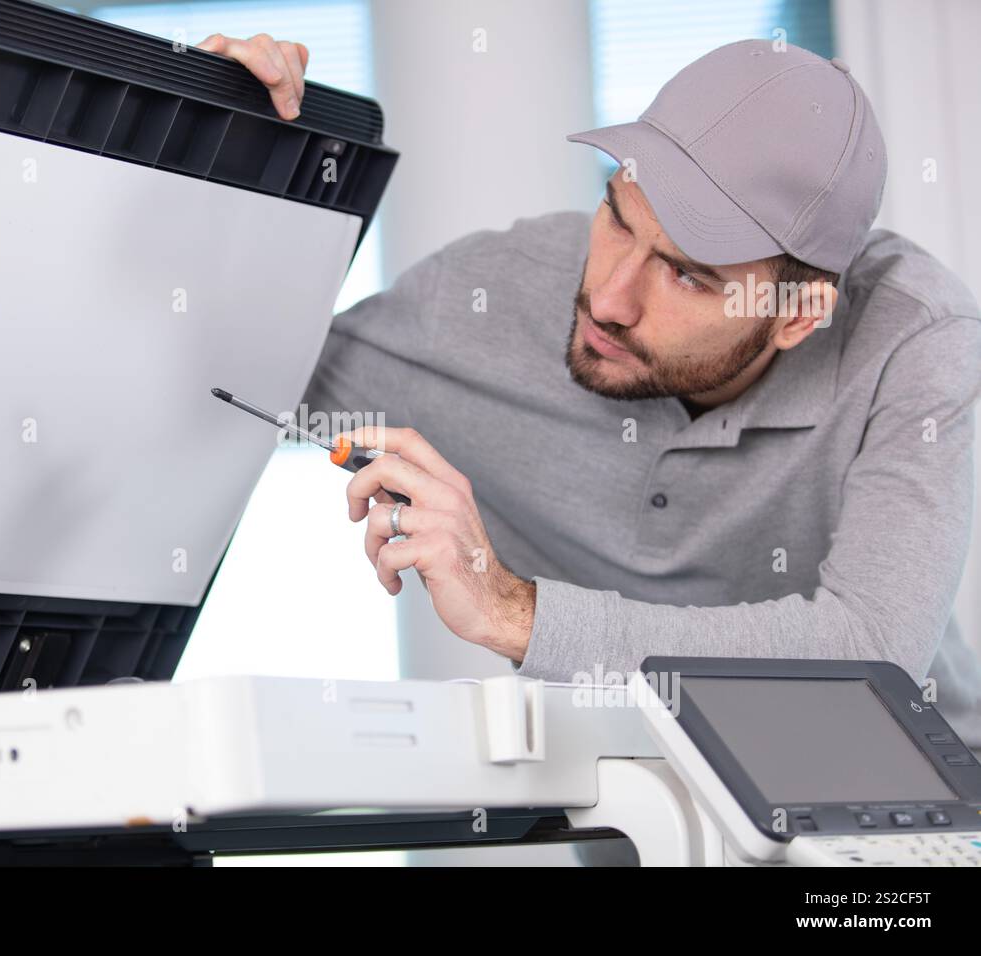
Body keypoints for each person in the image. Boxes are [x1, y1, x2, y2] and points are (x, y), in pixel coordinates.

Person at [201, 33, 981, 860]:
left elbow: (869, 661)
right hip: (640, 822)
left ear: (796, 315)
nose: (608, 300)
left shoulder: (917, 339)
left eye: (687, 274)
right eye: (616, 215)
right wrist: (231, 156)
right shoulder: (486, 297)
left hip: (898, 813)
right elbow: (228, 374)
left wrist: (514, 611)